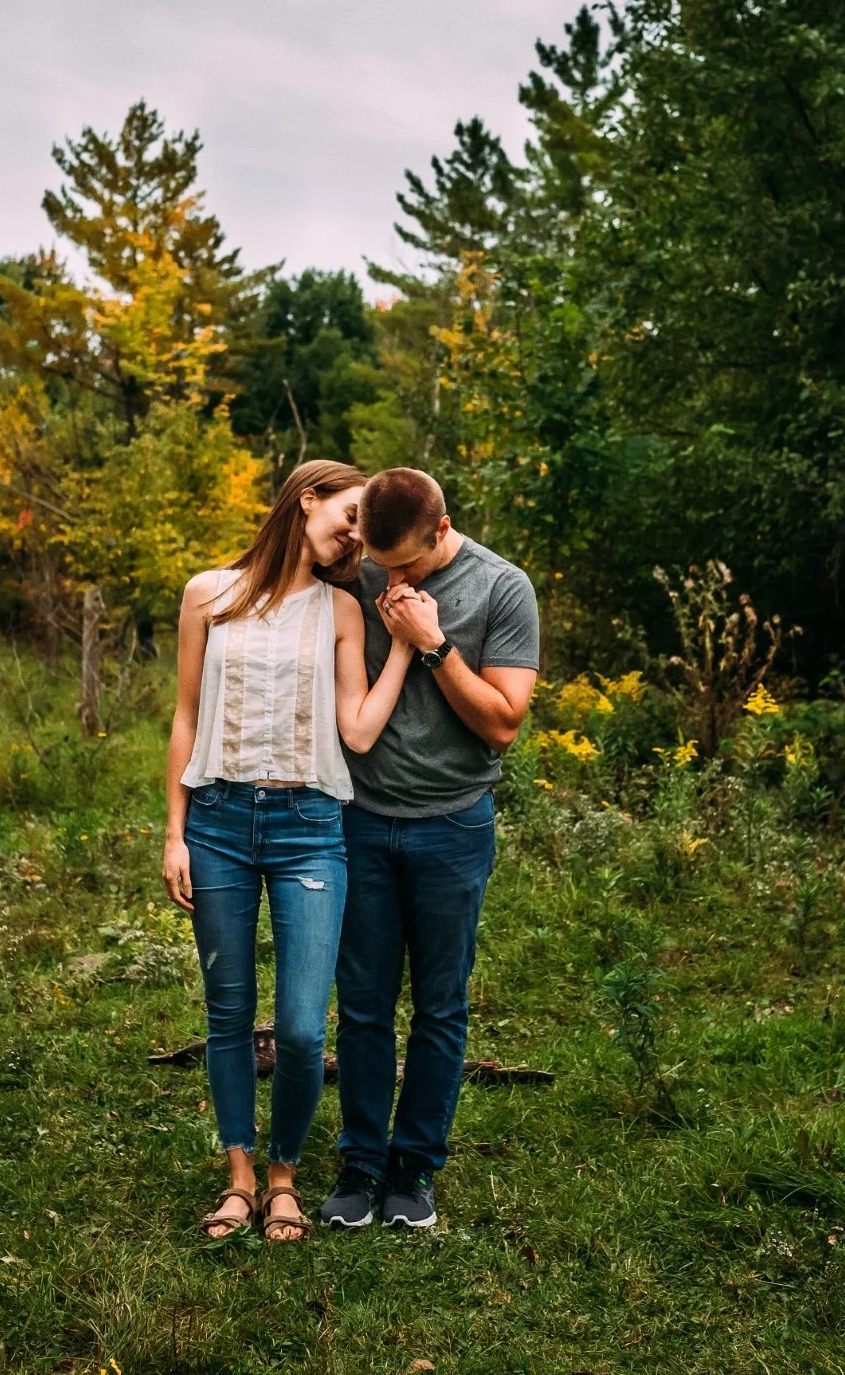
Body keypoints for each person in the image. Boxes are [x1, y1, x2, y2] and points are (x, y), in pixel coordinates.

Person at [162, 459, 417, 1243]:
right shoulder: (207, 594)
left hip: (311, 827)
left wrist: (405, 647)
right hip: (217, 825)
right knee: (229, 1012)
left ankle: (285, 1176)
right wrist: (173, 832)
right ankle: (240, 1179)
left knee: (304, 1028)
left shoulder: (342, 611)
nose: (353, 535)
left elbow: (358, 732)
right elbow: (184, 715)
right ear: (304, 499)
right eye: (346, 515)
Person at [318, 468, 539, 1231]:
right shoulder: (361, 572)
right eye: (383, 563)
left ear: (441, 531)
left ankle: (414, 1169)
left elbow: (503, 723)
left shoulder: (504, 589)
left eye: (407, 564)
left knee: (441, 1005)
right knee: (365, 1004)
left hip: (452, 824)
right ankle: (359, 1165)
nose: (393, 578)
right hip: (361, 820)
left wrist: (432, 644)